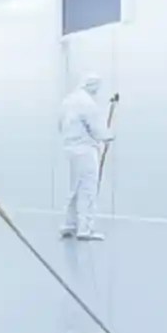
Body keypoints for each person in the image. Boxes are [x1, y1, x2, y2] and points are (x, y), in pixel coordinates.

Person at [59, 73, 114, 241]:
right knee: (88, 189)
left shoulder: (68, 101)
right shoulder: (87, 103)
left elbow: (60, 124)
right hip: (86, 149)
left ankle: (69, 224)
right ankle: (85, 228)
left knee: (74, 187)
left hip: (70, 148)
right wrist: (109, 135)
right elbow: (97, 130)